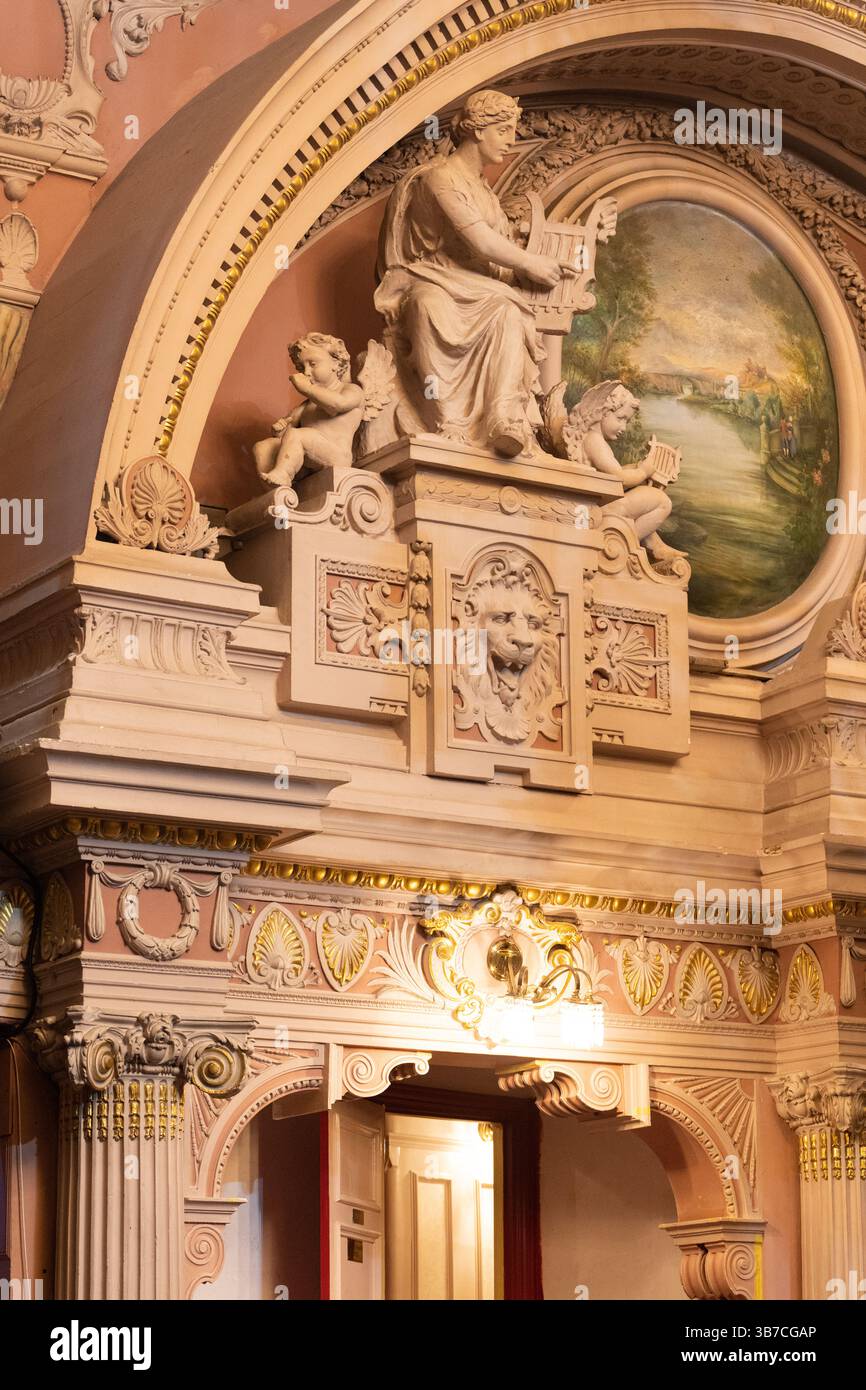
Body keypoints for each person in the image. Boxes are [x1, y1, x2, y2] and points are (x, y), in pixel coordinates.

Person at [374, 90, 578, 458]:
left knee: (507, 310)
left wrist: (530, 273)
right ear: (478, 131)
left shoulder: (487, 194)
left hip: (479, 288)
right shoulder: (440, 177)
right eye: (503, 130)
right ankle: (446, 418)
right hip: (432, 277)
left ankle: (501, 416)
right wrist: (529, 262)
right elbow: (480, 240)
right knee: (427, 306)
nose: (511, 140)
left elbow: (495, 261)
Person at [253, 333, 364, 505]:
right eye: (301, 367)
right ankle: (276, 494)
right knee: (263, 447)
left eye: (313, 364)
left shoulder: (350, 390)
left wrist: (306, 389)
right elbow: (288, 435)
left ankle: (283, 474)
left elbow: (336, 405)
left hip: (336, 455)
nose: (306, 372)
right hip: (308, 459)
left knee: (298, 435)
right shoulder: (307, 405)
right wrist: (280, 430)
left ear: (335, 363)